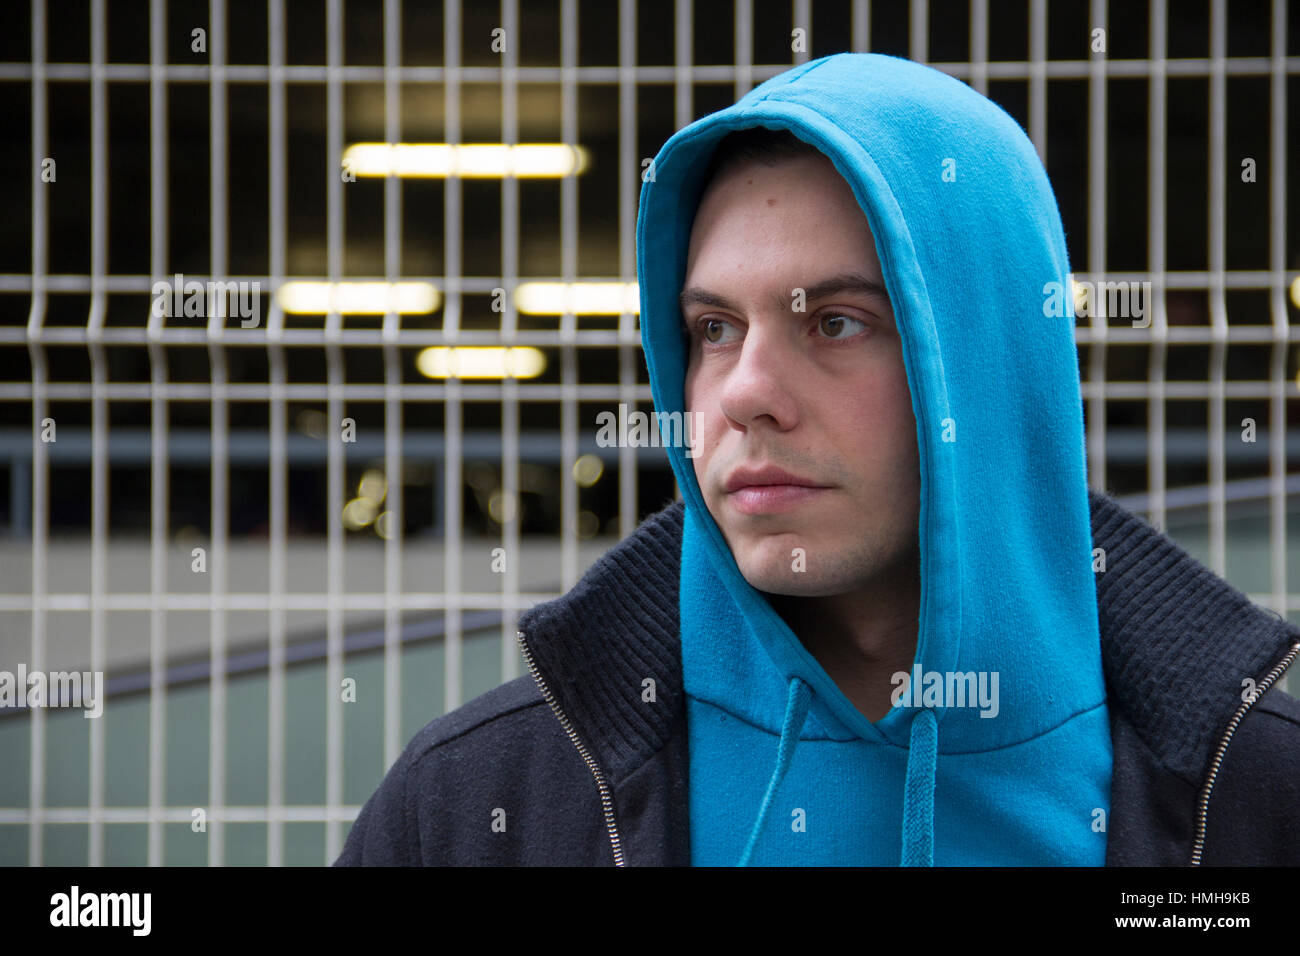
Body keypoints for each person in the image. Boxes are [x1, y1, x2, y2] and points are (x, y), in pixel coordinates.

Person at [335, 52, 1300, 866]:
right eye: (712, 328)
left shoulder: (1258, 797)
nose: (743, 392)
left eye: (836, 322)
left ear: (987, 360)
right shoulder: (477, 809)